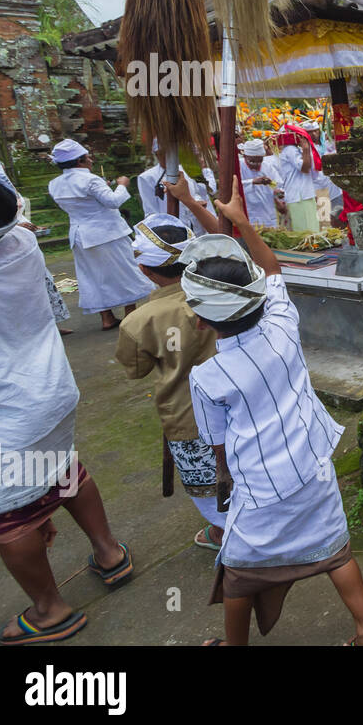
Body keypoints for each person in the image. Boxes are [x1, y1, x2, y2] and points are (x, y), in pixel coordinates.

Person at [184, 177, 363, 646]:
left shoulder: (207, 377)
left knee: (239, 571)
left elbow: (218, 444)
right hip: (313, 463)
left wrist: (224, 479)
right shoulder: (282, 322)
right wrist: (243, 225)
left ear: (200, 320)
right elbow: (273, 268)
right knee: (335, 551)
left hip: (260, 486)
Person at [0, 169, 132, 645]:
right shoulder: (22, 245)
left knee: (5, 512)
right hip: (48, 387)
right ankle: (109, 552)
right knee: (62, 468)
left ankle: (50, 609)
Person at [115, 195, 224, 550]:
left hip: (187, 415)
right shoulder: (220, 291)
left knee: (208, 486)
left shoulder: (138, 322)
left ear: (145, 269)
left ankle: (228, 533)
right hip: (236, 401)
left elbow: (135, 369)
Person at [47, 139, 152, 330]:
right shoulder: (90, 179)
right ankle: (131, 315)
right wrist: (122, 184)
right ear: (80, 161)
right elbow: (113, 201)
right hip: (106, 233)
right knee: (125, 271)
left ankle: (107, 318)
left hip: (80, 234)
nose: (91, 160)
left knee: (93, 276)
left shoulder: (54, 184)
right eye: (87, 157)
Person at [0, 156, 72, 335]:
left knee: (38, 289)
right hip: (1, 249)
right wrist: (17, 228)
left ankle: (49, 324)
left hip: (15, 243)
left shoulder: (2, 193)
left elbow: (10, 214)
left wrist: (23, 227)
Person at [274, 127, 320, 233]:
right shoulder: (290, 149)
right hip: (299, 196)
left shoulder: (292, 149)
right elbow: (305, 168)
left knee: (311, 230)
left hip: (303, 195)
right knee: (306, 233)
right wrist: (306, 149)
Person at [238, 139, 285, 228]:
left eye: (260, 161)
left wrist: (279, 193)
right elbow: (235, 186)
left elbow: (278, 184)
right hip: (250, 214)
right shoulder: (239, 167)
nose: (256, 164)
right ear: (245, 156)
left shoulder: (267, 166)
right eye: (252, 161)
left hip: (268, 212)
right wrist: (252, 182)